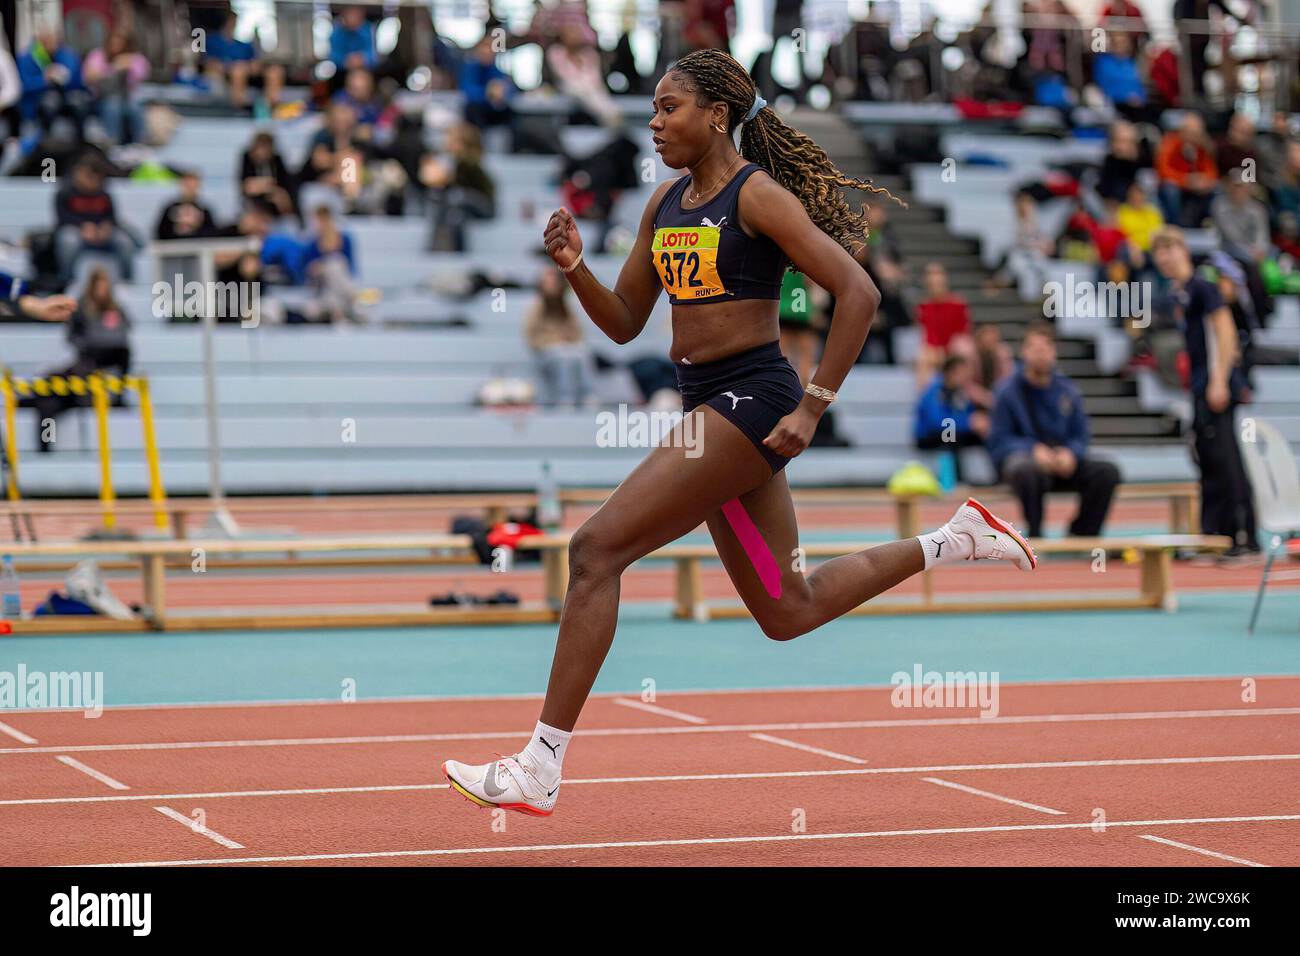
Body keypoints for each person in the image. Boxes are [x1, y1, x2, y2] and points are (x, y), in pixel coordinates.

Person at [441, 49, 1038, 818]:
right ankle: (952, 540)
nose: (654, 123)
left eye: (668, 108)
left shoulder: (757, 198)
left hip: (751, 403)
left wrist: (814, 404)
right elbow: (625, 325)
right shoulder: (664, 206)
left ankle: (540, 765)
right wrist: (574, 267)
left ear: (716, 115)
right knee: (787, 610)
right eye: (653, 110)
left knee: (593, 551)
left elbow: (859, 291)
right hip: (705, 410)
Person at [1151, 227, 1257, 558]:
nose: (1165, 258)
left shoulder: (1204, 287)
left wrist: (1219, 380)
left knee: (1227, 462)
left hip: (1216, 387)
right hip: (1199, 387)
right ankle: (1214, 534)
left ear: (1182, 250)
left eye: (1170, 249)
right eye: (1160, 253)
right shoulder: (1180, 293)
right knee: (1207, 459)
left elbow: (1224, 332)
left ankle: (1242, 537)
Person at [988, 321, 1121, 539]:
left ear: (1054, 352)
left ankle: (1082, 534)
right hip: (1026, 466)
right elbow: (999, 440)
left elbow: (1081, 435)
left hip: (1062, 465)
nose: (1040, 354)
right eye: (1034, 348)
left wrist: (1071, 453)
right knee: (1026, 470)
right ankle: (1036, 535)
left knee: (1106, 472)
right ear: (1024, 352)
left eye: (1046, 348)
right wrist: (1032, 450)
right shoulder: (1006, 392)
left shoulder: (1069, 391)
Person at [30, 267, 131, 452]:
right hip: (82, 374)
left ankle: (30, 398)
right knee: (46, 401)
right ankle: (45, 446)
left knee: (47, 390)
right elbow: (72, 337)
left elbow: (123, 346)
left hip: (94, 385)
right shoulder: (82, 309)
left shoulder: (118, 315)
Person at [53, 158, 140, 283]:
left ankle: (127, 281)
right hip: (78, 232)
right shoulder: (65, 193)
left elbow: (111, 217)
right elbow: (63, 219)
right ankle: (67, 280)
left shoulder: (103, 194)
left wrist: (106, 227)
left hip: (102, 233)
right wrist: (82, 226)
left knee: (124, 242)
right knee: (68, 240)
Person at [525, 267, 596, 407]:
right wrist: (554, 343)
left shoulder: (568, 305)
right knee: (562, 355)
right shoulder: (535, 307)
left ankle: (588, 395)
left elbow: (578, 332)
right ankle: (565, 397)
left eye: (553, 282)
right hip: (546, 352)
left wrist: (568, 342)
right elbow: (531, 337)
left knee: (582, 352)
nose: (550, 285)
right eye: (547, 282)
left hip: (568, 347)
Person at [914, 354, 990, 481]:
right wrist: (969, 423)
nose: (967, 377)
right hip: (929, 436)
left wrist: (984, 402)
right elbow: (937, 422)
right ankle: (953, 481)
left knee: (985, 434)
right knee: (950, 437)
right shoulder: (936, 391)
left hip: (952, 432)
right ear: (951, 373)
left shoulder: (961, 393)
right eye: (963, 373)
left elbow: (968, 415)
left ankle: (991, 478)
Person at [82, 29, 148, 145]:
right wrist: (112, 68)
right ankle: (112, 141)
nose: (116, 46)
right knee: (113, 105)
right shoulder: (98, 55)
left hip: (127, 97)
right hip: (102, 98)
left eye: (120, 43)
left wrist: (130, 66)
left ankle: (140, 142)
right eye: (113, 43)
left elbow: (143, 74)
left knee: (135, 106)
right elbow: (88, 77)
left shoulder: (133, 58)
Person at [1155, 113, 1218, 228]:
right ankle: (1176, 226)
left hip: (1197, 187)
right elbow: (1163, 170)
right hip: (1177, 185)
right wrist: (1185, 180)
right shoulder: (1169, 142)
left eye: (1197, 134)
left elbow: (1211, 172)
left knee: (1216, 188)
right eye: (1190, 132)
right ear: (1182, 131)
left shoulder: (1202, 147)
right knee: (1170, 190)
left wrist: (1203, 180)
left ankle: (1208, 224)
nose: (1193, 137)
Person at [914, 261, 972, 386]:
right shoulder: (923, 307)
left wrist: (950, 348)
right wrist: (937, 349)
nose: (935, 283)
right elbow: (927, 333)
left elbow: (963, 331)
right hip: (934, 349)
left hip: (954, 347)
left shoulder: (958, 304)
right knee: (923, 357)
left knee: (965, 349)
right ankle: (926, 398)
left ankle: (966, 391)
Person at [154, 171, 218, 241]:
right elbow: (160, 233)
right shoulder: (170, 209)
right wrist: (179, 227)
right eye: (188, 186)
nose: (190, 190)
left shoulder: (204, 210)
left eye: (193, 186)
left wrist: (196, 225)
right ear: (182, 185)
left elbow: (212, 235)